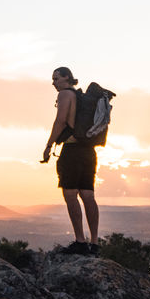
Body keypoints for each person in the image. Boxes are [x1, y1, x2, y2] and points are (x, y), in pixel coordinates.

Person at [39, 66, 99, 252]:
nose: (53, 83)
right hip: (88, 150)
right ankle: (95, 243)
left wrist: (49, 145)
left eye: (56, 78)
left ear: (66, 78)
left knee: (70, 195)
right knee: (88, 195)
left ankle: (80, 241)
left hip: (72, 150)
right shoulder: (80, 98)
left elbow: (61, 120)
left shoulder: (65, 94)